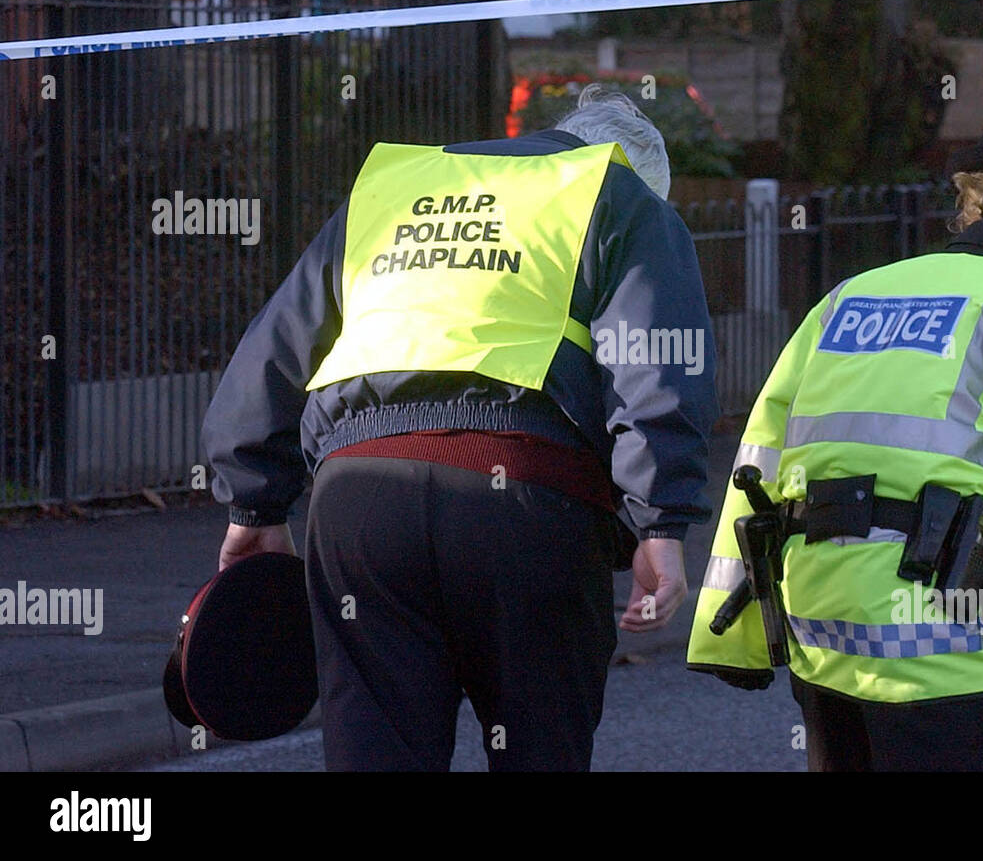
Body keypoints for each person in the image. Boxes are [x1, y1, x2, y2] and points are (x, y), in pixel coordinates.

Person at [201, 84, 719, 771]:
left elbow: (277, 344)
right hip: (529, 505)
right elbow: (656, 360)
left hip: (358, 505)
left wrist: (254, 501)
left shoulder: (402, 185)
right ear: (636, 170)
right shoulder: (619, 194)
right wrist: (660, 524)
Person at [686, 117, 983, 772]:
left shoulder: (850, 299)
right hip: (929, 639)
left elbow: (759, 462)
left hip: (822, 627)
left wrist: (737, 640)